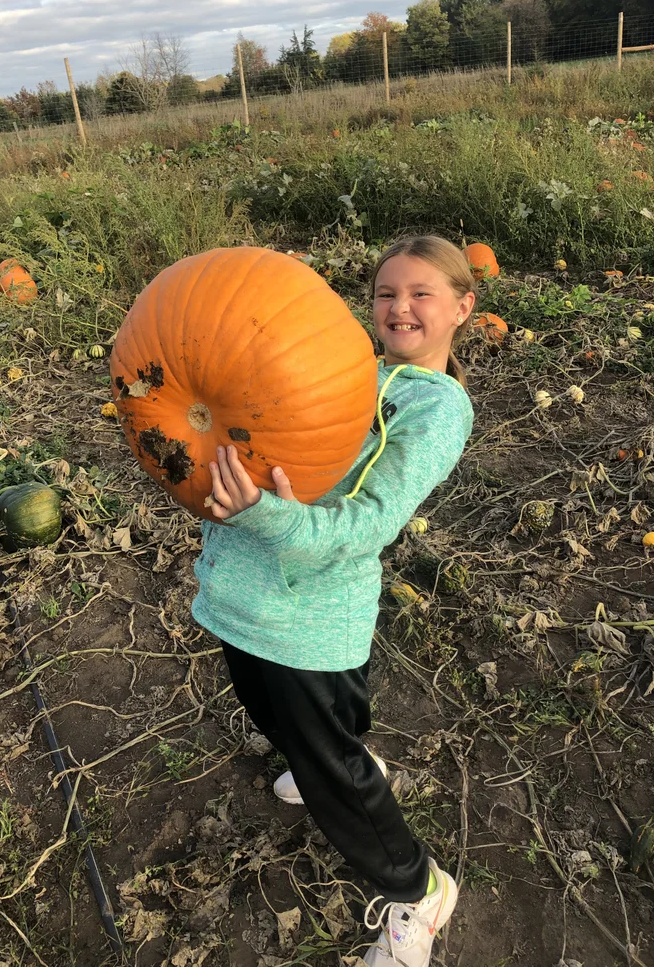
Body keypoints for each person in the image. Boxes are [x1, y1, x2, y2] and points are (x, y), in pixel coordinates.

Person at [191, 235, 476, 967]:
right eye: (386, 293)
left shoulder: (435, 407)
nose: (399, 306)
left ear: (462, 308)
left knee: (331, 773)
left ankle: (417, 888)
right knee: (271, 712)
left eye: (421, 293)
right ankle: (342, 758)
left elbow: (370, 523)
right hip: (242, 591)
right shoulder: (346, 372)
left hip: (309, 618)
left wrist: (262, 512)